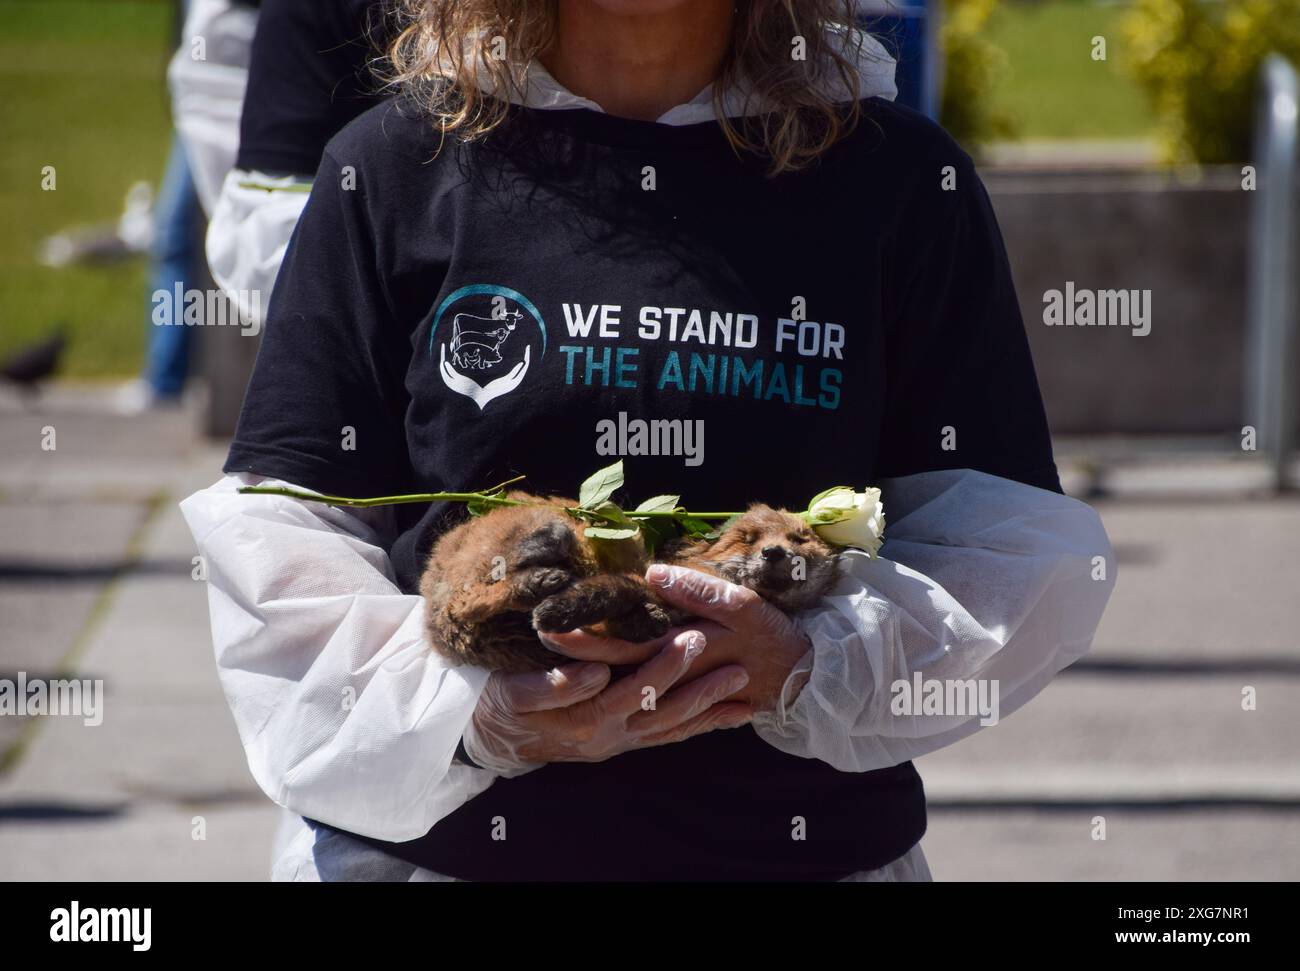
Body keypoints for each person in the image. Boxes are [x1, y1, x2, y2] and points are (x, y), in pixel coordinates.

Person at [181, 0, 1115, 881]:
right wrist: (475, 717)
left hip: (801, 857)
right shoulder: (391, 168)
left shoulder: (896, 178)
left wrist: (810, 666)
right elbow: (283, 542)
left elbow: (1008, 552)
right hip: (450, 859)